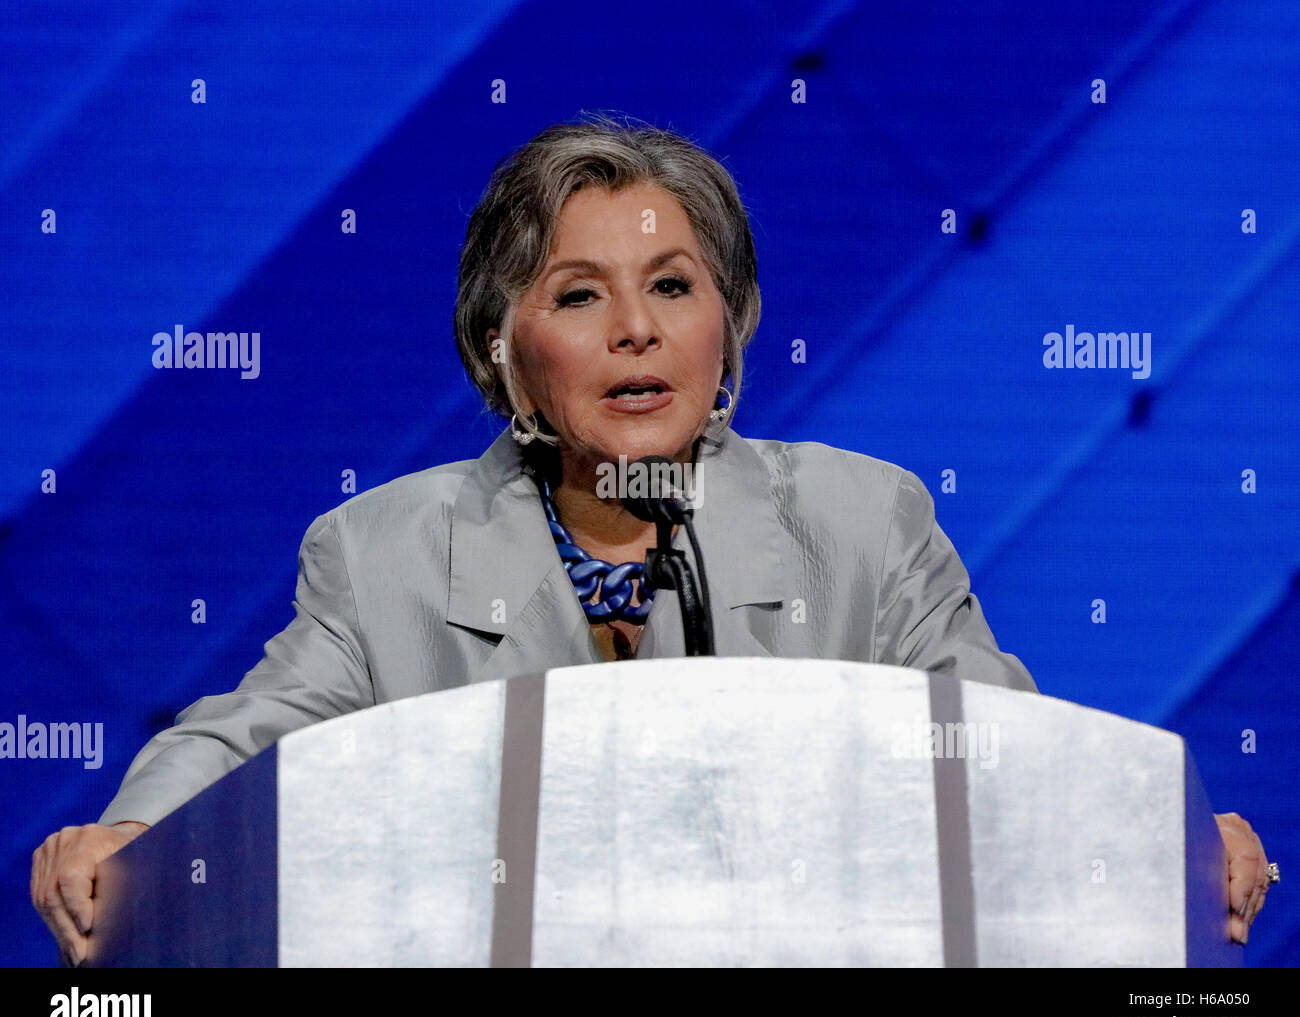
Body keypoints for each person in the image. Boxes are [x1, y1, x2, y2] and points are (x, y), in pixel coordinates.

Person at [31, 114, 1275, 966]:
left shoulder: (862, 521)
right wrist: (132, 841)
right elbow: (244, 735)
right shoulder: (389, 551)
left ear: (726, 333)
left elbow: (996, 750)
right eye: (579, 295)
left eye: (674, 286)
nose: (637, 328)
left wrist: (1155, 837)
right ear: (503, 356)